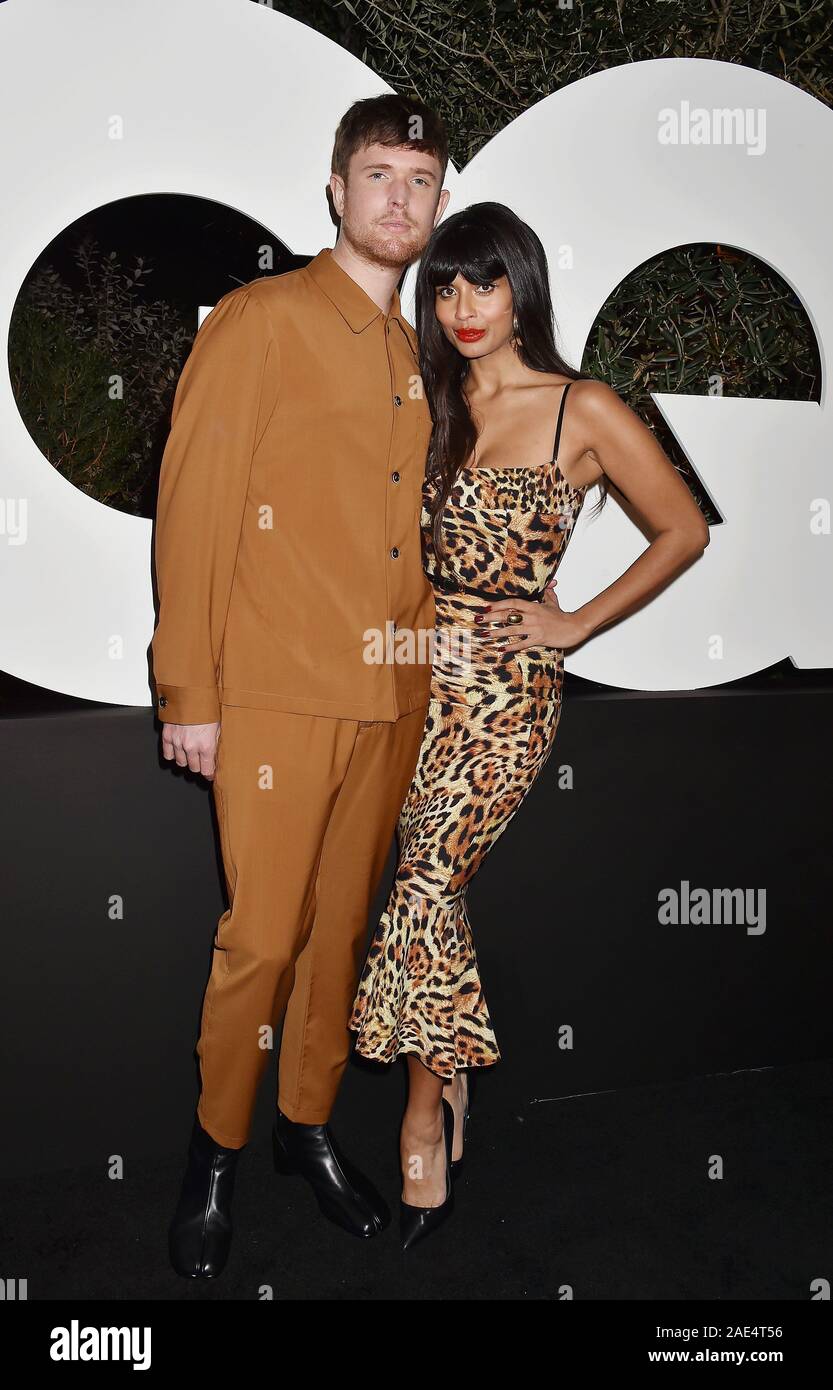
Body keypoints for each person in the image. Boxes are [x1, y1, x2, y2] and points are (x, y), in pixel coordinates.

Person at [347, 201, 710, 1249]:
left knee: (421, 878)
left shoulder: (579, 408)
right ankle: (450, 1076)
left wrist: (571, 623)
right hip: (416, 672)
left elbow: (680, 527)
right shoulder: (428, 399)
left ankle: (421, 1115)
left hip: (506, 694)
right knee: (426, 883)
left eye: (483, 284)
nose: (462, 307)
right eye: (445, 287)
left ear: (522, 290)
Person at [151, 93, 450, 1278]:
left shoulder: (425, 351)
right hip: (273, 692)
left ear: (436, 204)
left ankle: (305, 1129)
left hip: (389, 700)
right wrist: (189, 694)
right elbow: (195, 511)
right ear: (336, 190)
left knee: (338, 946)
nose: (397, 198)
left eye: (419, 180)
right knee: (261, 943)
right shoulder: (259, 319)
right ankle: (213, 1151)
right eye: (377, 174)